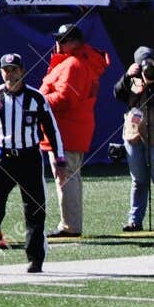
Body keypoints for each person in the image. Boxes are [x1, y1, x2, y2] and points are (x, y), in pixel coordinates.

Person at [0, 53, 66, 276]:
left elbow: (52, 129)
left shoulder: (36, 98)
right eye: (6, 70)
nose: (10, 74)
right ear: (1, 72)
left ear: (22, 71)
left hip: (29, 158)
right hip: (3, 159)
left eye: (14, 69)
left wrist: (60, 159)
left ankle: (35, 258)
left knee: (35, 209)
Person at [39, 23, 110, 239]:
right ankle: (71, 223)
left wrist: (38, 99)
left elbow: (65, 98)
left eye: (62, 40)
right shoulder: (76, 62)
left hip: (65, 132)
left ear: (73, 42)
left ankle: (70, 226)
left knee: (65, 177)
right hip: (70, 130)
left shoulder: (73, 64)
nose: (57, 44)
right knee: (70, 178)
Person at [114, 47, 154, 232]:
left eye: (150, 63)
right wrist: (127, 76)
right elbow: (118, 95)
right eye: (143, 63)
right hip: (134, 136)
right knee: (138, 180)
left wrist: (150, 83)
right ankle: (134, 220)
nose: (147, 67)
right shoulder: (132, 81)